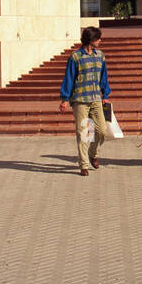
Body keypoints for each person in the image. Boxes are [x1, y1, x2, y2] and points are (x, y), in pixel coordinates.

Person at [58, 27, 113, 176]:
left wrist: (105, 94)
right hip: (80, 101)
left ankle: (93, 153)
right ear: (91, 39)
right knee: (85, 132)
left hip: (96, 99)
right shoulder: (75, 57)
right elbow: (68, 79)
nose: (100, 41)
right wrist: (64, 99)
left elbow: (104, 77)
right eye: (98, 38)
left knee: (101, 131)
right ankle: (84, 164)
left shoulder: (100, 55)